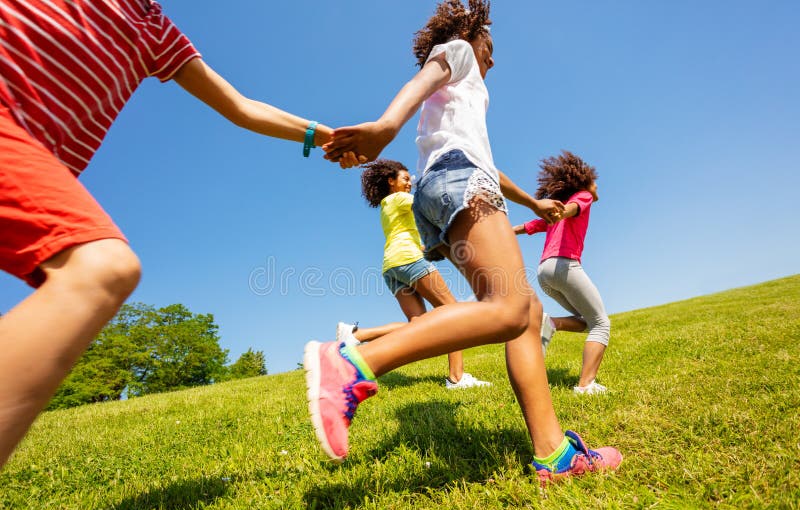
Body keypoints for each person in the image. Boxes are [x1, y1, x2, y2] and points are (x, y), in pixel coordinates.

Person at [0, 0, 361, 469]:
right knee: (100, 269)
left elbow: (241, 107)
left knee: (101, 271)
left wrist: (325, 135)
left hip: (27, 161)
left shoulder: (155, 30)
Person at [304, 0, 622, 482]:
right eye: (489, 44)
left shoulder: (460, 107)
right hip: (461, 183)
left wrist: (533, 204)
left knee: (526, 313)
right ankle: (355, 362)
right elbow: (427, 78)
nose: (492, 56)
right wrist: (385, 128)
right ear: (471, 35)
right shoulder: (459, 52)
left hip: (452, 184)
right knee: (509, 308)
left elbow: (485, 164)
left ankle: (554, 453)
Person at [336, 158, 491, 390]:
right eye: (406, 179)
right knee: (452, 312)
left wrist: (426, 245)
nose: (410, 183)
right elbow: (427, 202)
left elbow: (405, 231)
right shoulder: (398, 198)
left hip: (392, 266)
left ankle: (359, 334)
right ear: (391, 181)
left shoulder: (387, 206)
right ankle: (457, 378)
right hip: (408, 260)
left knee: (418, 324)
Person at [513, 151, 610, 395]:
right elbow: (574, 208)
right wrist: (564, 212)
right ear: (584, 181)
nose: (597, 186)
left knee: (587, 321)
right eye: (595, 181)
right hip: (564, 266)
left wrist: (507, 230)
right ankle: (586, 385)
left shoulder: (556, 209)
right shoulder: (583, 195)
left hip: (545, 272)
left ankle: (551, 323)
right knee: (601, 324)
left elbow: (532, 225)